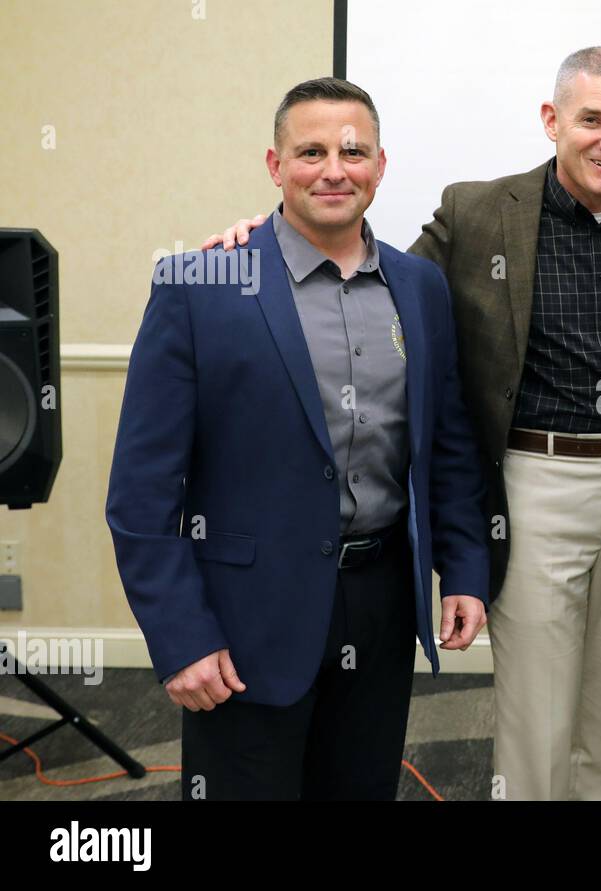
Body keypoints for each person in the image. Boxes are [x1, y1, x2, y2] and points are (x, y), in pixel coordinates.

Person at [207, 47, 601, 800]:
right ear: (552, 121)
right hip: (535, 481)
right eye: (593, 120)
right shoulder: (479, 211)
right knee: (537, 707)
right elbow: (369, 282)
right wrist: (271, 234)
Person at [107, 77, 489, 800]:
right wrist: (181, 636)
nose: (334, 169)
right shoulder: (201, 284)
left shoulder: (421, 288)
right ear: (275, 166)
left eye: (354, 151)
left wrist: (463, 567)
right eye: (310, 151)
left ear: (381, 165)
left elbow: (447, 444)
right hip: (245, 618)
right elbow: (140, 493)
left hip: (379, 607)